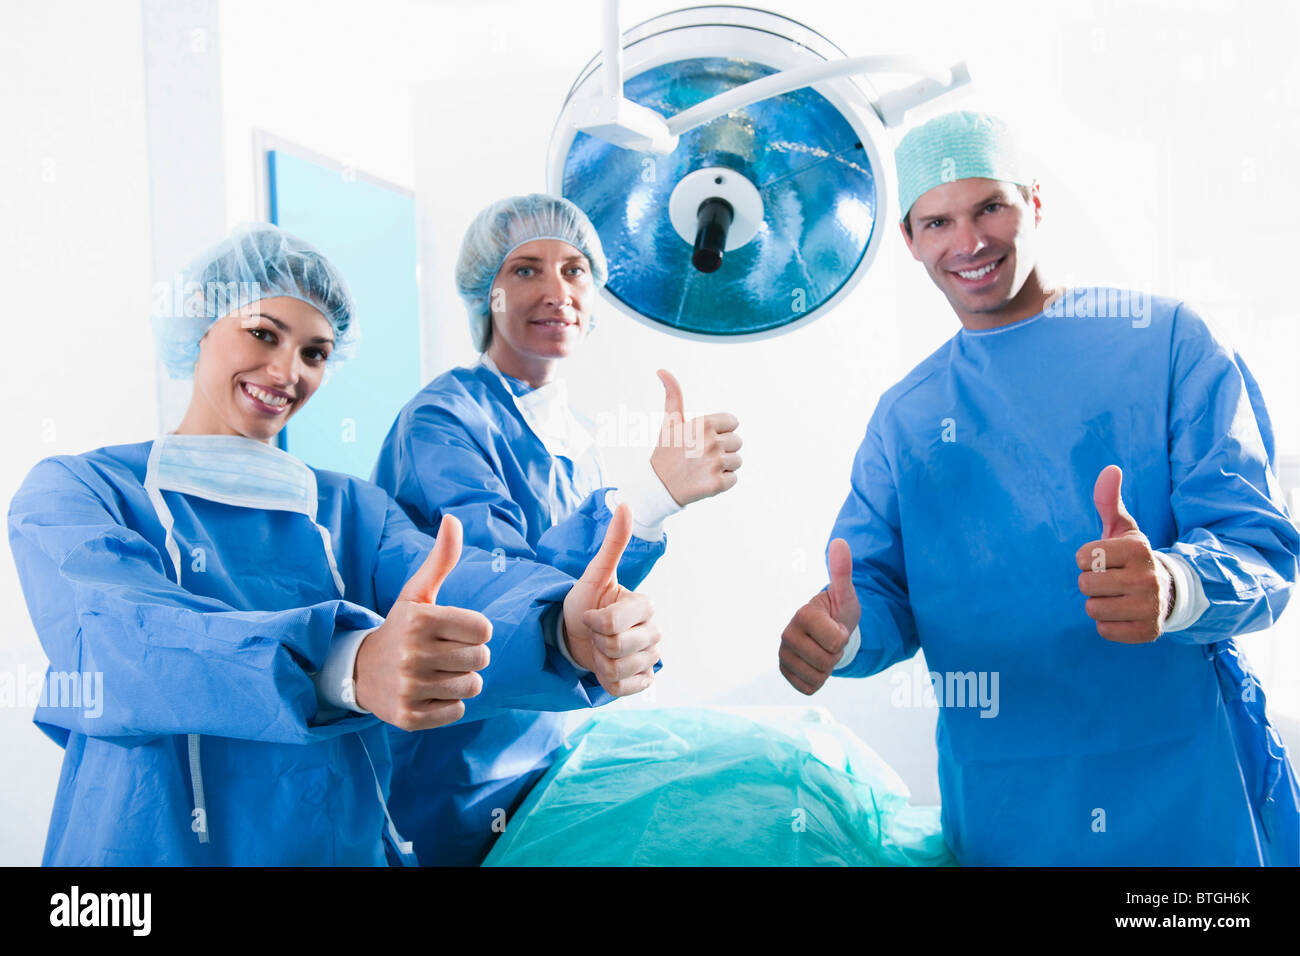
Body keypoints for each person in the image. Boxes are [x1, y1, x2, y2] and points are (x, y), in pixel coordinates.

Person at [7, 222, 654, 865]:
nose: (286, 371)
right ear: (200, 322)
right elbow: (117, 639)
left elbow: (466, 588)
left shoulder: (353, 511)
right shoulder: (80, 489)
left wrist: (562, 629)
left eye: (314, 353)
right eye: (264, 333)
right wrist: (343, 665)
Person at [778, 111, 1300, 865]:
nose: (969, 242)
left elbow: (1259, 547)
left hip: (1187, 787)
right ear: (909, 239)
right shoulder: (907, 417)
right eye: (938, 221)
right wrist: (842, 634)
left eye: (990, 206)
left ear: (1035, 203)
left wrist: (1174, 585)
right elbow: (879, 593)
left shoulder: (1167, 342)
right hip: (1007, 807)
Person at [373, 193, 743, 865]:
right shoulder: (442, 421)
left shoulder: (576, 437)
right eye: (525, 270)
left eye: (575, 270)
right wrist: (650, 497)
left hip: (549, 751)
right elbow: (496, 591)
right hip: (458, 771)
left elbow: (586, 593)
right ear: (485, 293)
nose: (557, 291)